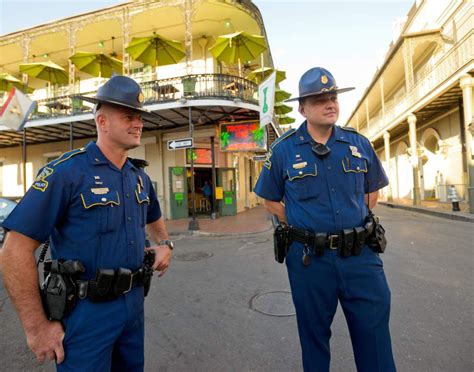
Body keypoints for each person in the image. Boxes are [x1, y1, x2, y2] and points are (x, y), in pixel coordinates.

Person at [0, 75, 174, 371]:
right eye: (128, 116)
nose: (138, 124)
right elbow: (14, 251)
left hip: (133, 306)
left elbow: (154, 215)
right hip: (86, 312)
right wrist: (37, 328)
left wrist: (164, 243)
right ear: (102, 121)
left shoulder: (139, 177)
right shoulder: (66, 173)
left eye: (140, 117)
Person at [254, 67, 396, 371]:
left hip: (361, 258)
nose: (330, 103)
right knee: (314, 338)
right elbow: (269, 200)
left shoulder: (359, 144)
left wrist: (352, 216)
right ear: (302, 108)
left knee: (374, 336)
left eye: (332, 97)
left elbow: (372, 193)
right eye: (320, 100)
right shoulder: (283, 150)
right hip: (310, 260)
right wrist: (302, 220)